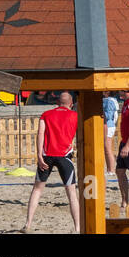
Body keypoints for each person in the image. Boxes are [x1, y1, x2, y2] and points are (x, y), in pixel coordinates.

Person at [22, 91, 80, 233]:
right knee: (71, 192)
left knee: (37, 189)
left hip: (47, 155)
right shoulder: (75, 116)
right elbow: (79, 136)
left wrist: (39, 155)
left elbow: (40, 134)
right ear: (71, 104)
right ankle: (77, 227)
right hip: (65, 155)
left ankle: (28, 224)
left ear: (57, 102)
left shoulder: (46, 114)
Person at [102, 91, 120, 178]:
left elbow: (109, 116)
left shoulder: (109, 101)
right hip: (109, 125)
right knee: (106, 148)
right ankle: (110, 169)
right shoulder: (110, 100)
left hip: (108, 125)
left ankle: (111, 170)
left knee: (107, 148)